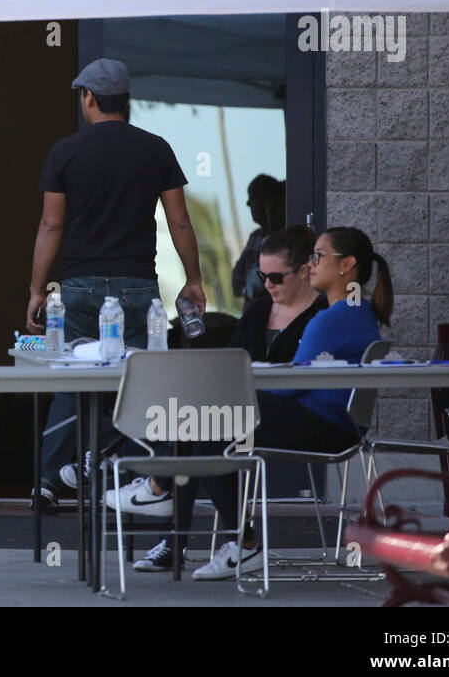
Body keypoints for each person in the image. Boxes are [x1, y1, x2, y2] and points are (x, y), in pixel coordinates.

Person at [25, 58, 204, 513]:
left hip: (81, 287)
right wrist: (194, 279)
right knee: (143, 381)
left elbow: (50, 227)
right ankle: (150, 477)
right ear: (125, 100)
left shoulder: (65, 152)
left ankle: (48, 481)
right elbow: (179, 221)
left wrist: (35, 289)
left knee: (71, 381)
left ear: (89, 97)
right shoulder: (156, 149)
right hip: (137, 287)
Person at [188, 225, 393, 580]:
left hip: (323, 427)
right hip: (337, 425)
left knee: (206, 423)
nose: (311, 265)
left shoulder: (331, 318)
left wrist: (244, 394)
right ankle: (165, 493)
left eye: (318, 256)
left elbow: (291, 386)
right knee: (209, 421)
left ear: (347, 266)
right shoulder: (358, 314)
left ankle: (244, 544)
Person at [124, 225, 325, 572]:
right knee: (188, 419)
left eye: (277, 276)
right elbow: (232, 364)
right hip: (246, 410)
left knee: (201, 426)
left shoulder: (322, 317)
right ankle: (179, 524)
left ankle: (165, 499)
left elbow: (304, 379)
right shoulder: (259, 311)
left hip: (294, 414)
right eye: (263, 275)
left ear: (306, 270)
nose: (268, 285)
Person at [231, 175, 285, 308]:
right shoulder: (256, 237)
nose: (248, 205)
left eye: (253, 200)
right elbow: (236, 281)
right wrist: (248, 289)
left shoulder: (288, 238)